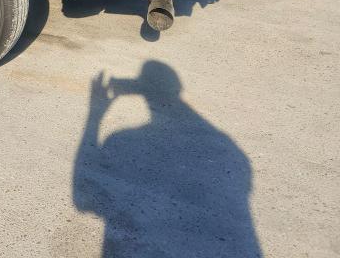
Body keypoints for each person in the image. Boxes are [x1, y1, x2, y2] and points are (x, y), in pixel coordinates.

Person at [73, 61, 262, 257]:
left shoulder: (123, 141)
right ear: (178, 89)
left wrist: (94, 116)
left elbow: (82, 197)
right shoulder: (230, 151)